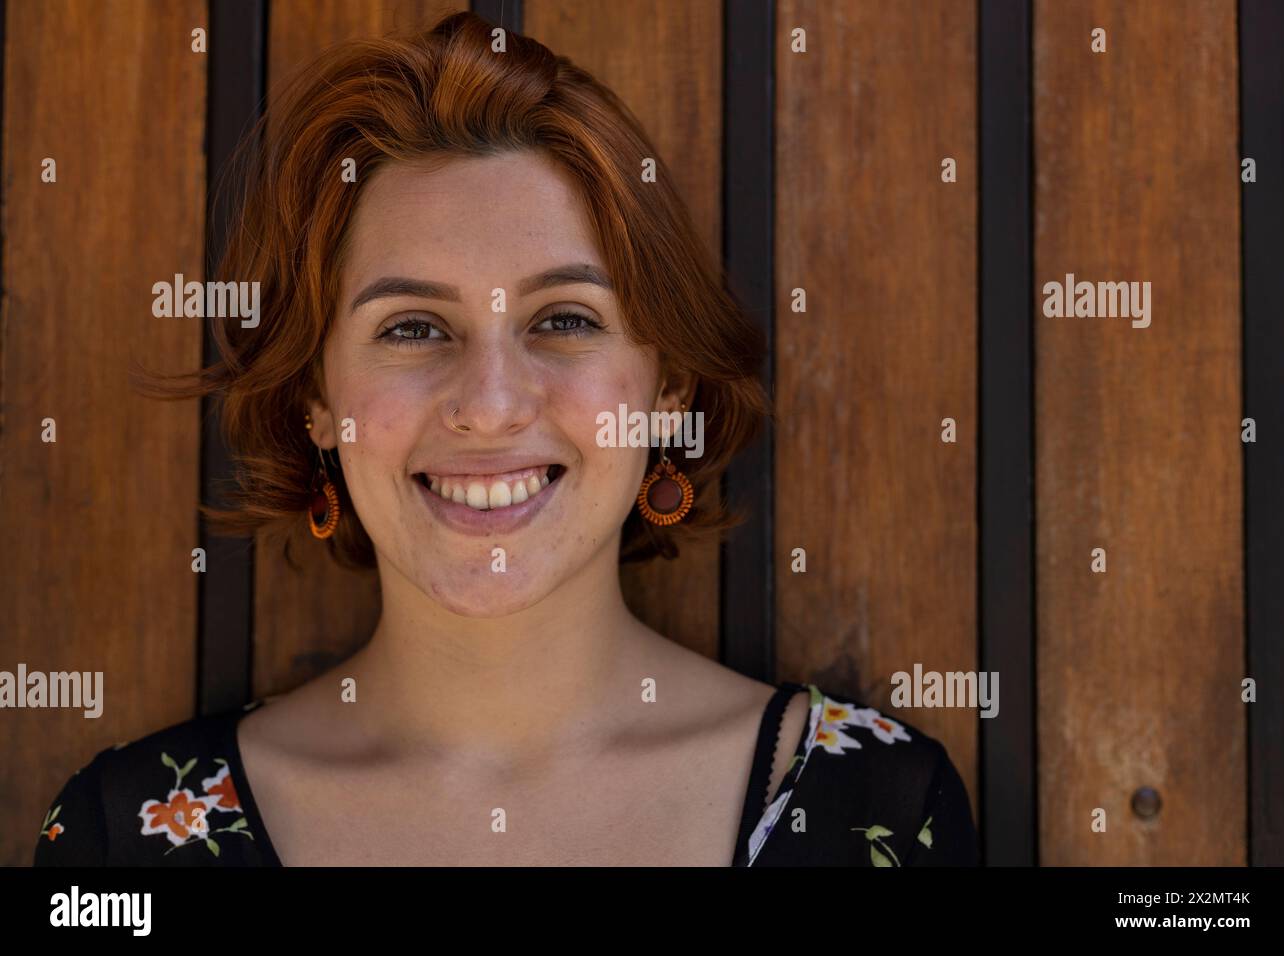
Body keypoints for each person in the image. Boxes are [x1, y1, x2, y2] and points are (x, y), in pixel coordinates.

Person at [33, 11, 977, 867]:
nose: (489, 406)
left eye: (563, 319)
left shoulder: (873, 812)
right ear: (315, 396)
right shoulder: (129, 839)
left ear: (669, 383)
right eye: (412, 326)